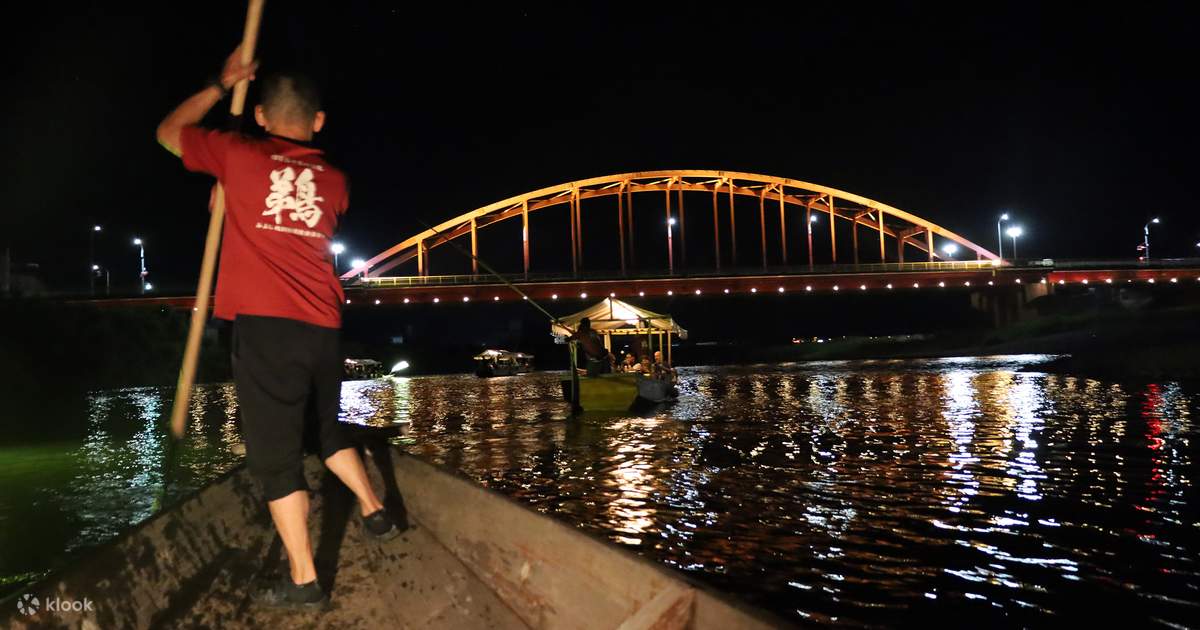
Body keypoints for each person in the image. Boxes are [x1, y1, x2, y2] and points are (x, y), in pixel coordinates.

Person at [156, 47, 397, 610]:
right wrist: (235, 191)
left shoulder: (237, 153)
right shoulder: (335, 180)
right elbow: (285, 202)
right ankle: (373, 508)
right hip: (323, 325)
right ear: (318, 123)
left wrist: (222, 83)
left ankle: (304, 580)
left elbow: (169, 131)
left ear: (260, 116)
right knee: (327, 427)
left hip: (267, 327)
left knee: (274, 456)